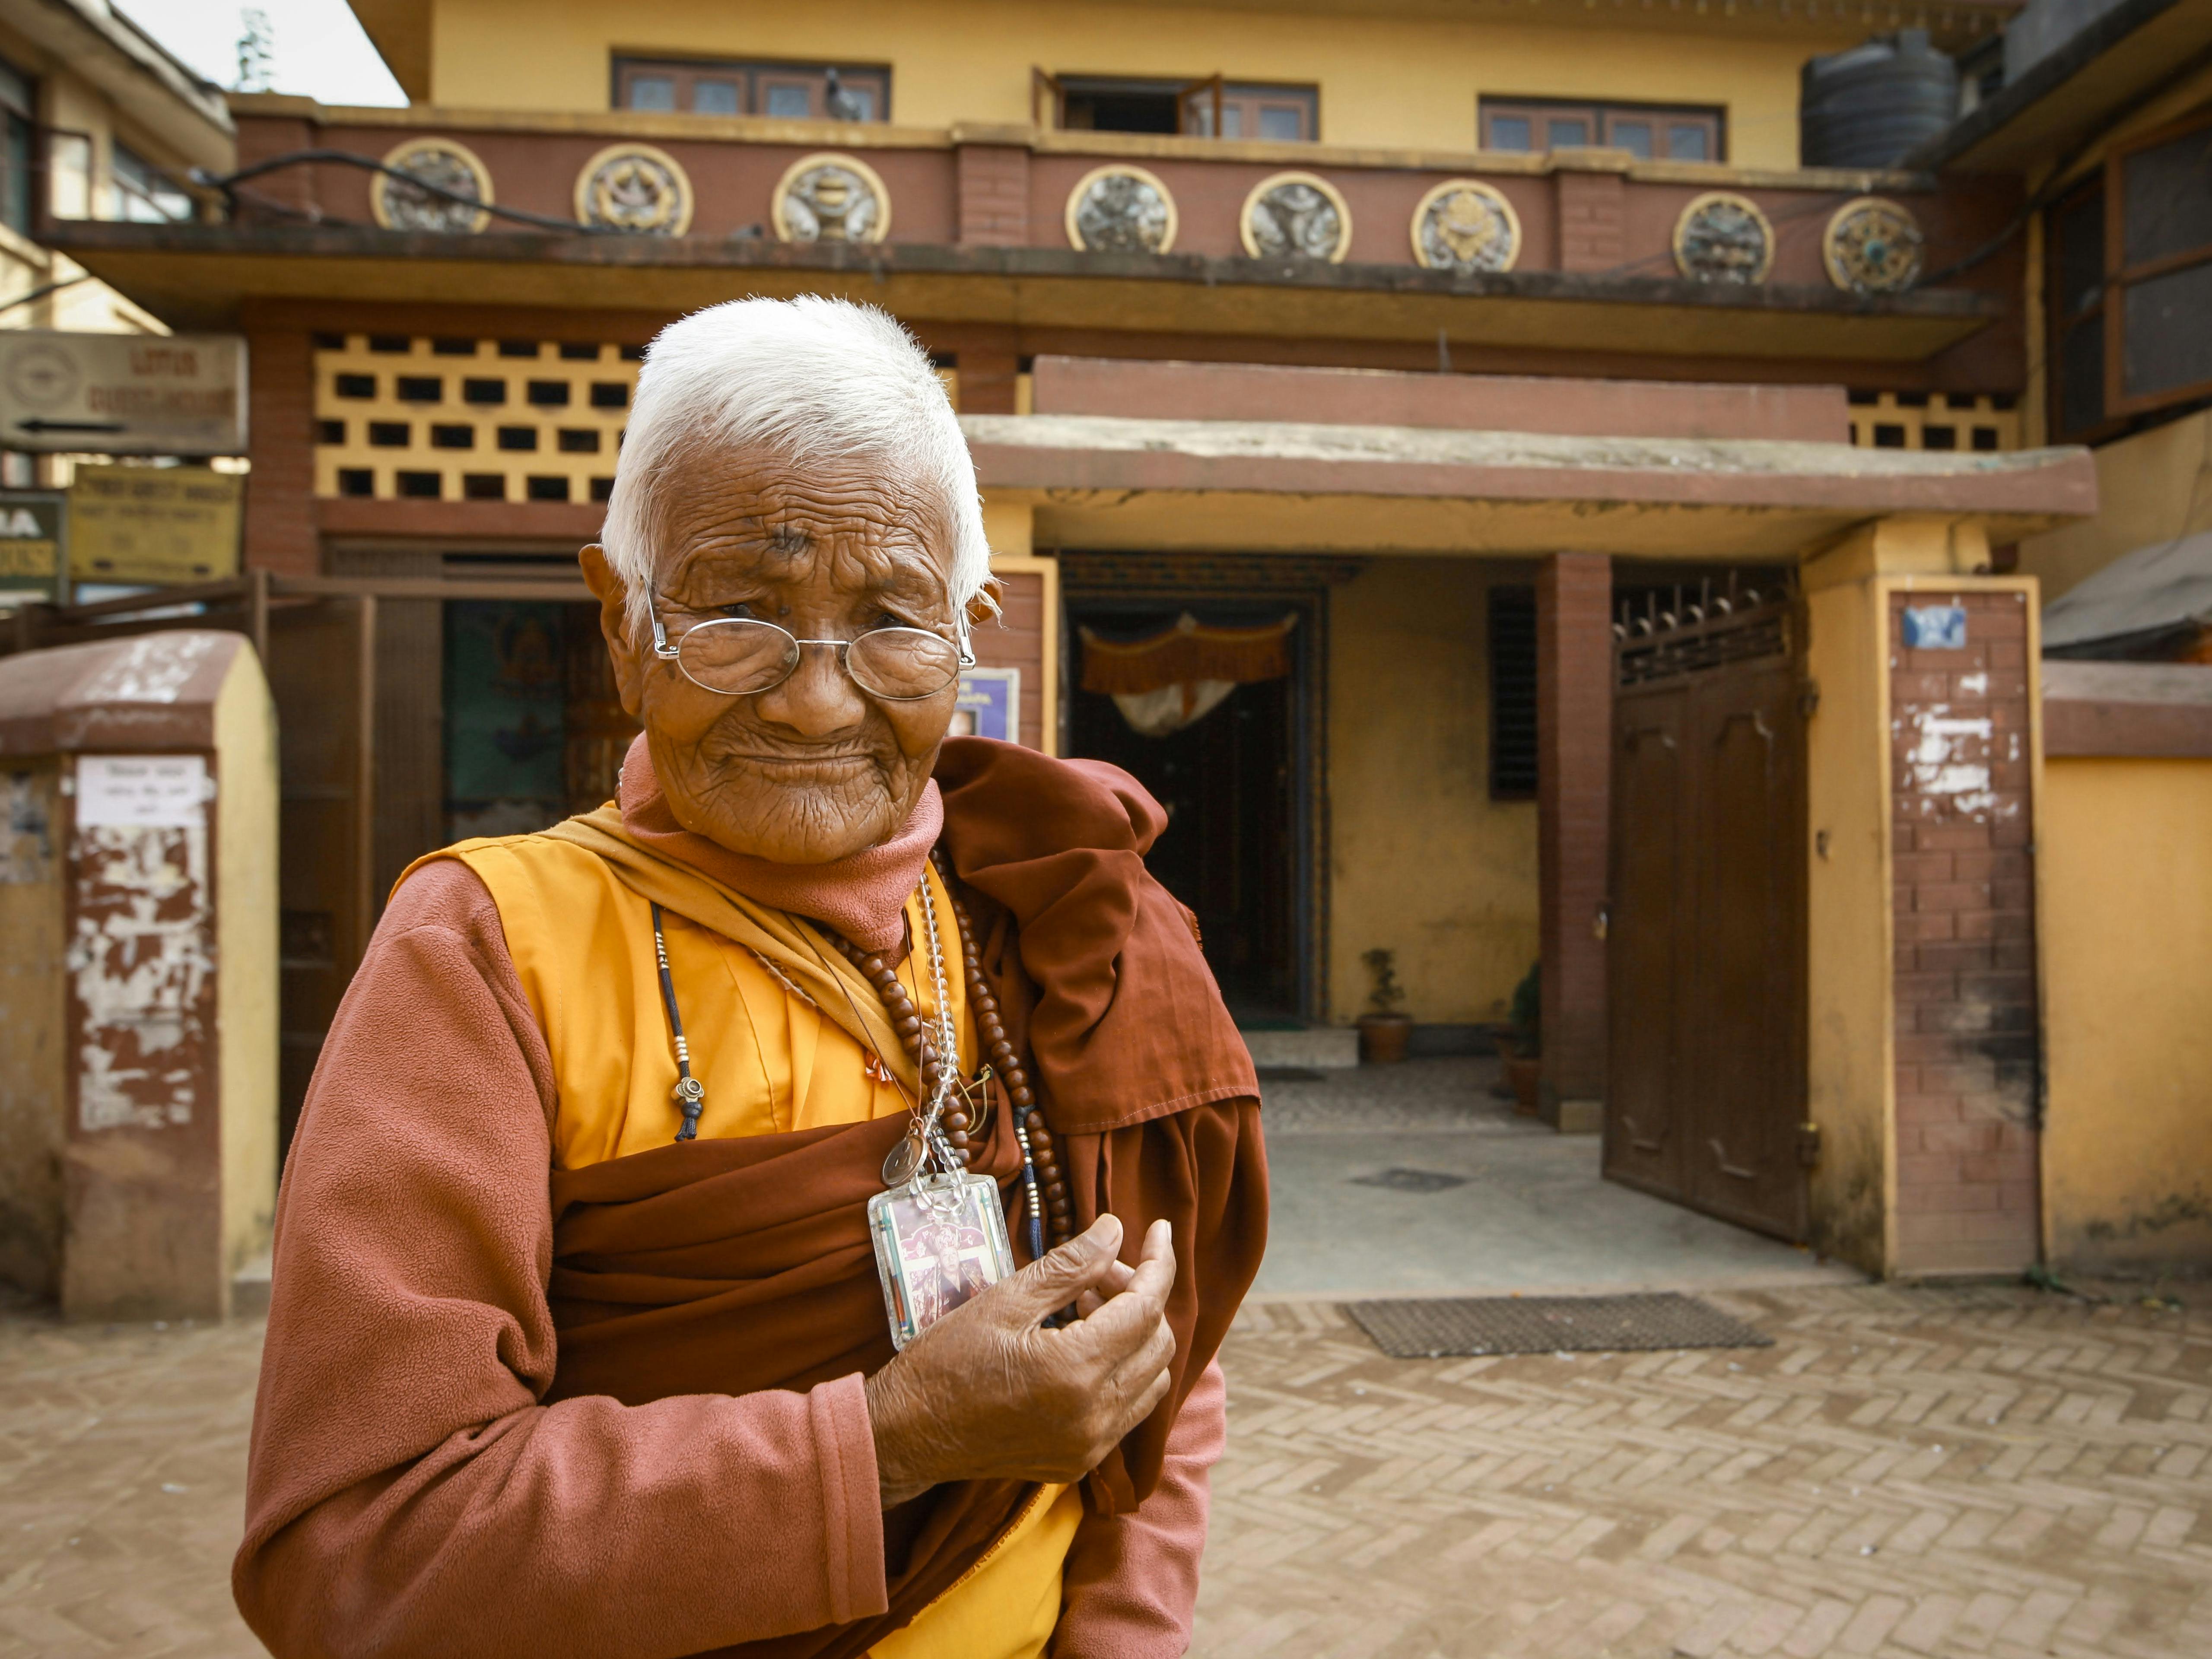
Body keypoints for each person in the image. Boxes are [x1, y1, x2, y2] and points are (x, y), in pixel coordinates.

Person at [232, 296, 1268, 1659]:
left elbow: (1157, 1361)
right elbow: (355, 1556)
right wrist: (887, 1445)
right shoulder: (489, 948)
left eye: (893, 620)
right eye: (736, 614)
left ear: (973, 630)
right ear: (621, 621)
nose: (814, 701)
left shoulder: (1059, 907)